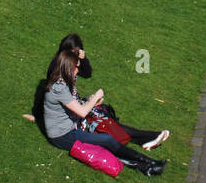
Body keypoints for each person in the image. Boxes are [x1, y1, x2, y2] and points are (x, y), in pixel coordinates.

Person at [41, 46, 167, 175]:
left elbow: (73, 105)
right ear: (68, 68)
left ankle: (148, 160)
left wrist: (90, 101)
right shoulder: (59, 88)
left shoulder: (63, 81)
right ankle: (150, 164)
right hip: (63, 135)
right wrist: (95, 96)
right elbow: (82, 112)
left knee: (109, 127)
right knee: (107, 140)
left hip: (73, 125)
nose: (77, 71)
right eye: (76, 68)